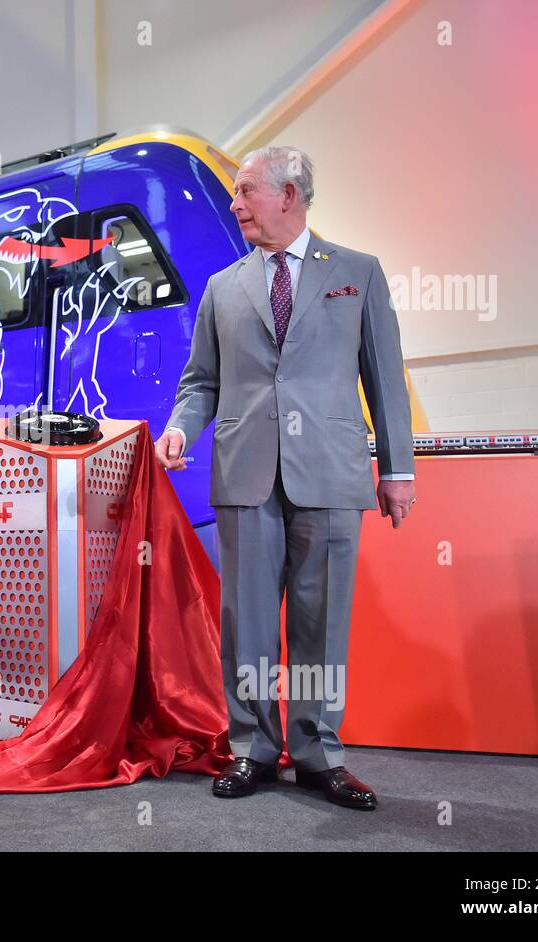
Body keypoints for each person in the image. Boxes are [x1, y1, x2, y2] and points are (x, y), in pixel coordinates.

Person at [154, 145, 415, 810]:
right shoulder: (223, 287)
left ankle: (319, 754)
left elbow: (382, 377)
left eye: (245, 191)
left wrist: (398, 469)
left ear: (289, 195)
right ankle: (253, 749)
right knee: (247, 627)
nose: (235, 203)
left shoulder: (357, 273)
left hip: (330, 473)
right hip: (246, 477)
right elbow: (201, 382)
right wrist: (182, 426)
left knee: (321, 623)